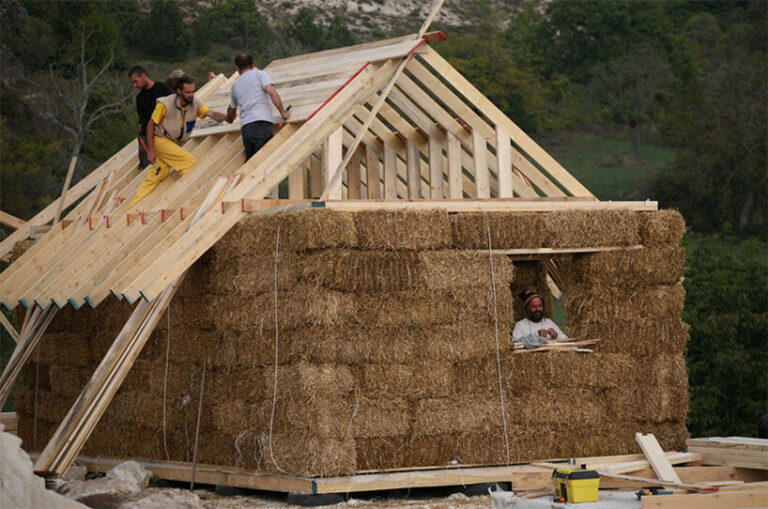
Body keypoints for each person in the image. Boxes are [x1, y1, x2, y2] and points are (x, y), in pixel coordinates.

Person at [128, 74, 229, 209]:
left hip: (170, 142)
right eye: (187, 92)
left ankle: (132, 208)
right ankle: (190, 199)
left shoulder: (195, 103)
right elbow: (150, 125)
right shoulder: (165, 104)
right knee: (188, 162)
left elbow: (212, 114)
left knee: (157, 174)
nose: (191, 95)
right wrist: (150, 151)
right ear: (179, 91)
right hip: (159, 139)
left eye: (192, 91)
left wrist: (228, 117)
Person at [226, 53, 290, 160]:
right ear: (252, 65)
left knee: (252, 163)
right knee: (264, 162)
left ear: (237, 68)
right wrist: (283, 112)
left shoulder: (235, 86)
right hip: (261, 123)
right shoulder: (260, 74)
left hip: (246, 128)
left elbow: (231, 109)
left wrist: (229, 118)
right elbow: (272, 92)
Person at [128, 66, 171, 169]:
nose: (135, 85)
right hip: (146, 136)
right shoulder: (139, 98)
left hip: (162, 132)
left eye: (136, 81)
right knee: (148, 168)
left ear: (143, 76)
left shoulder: (161, 88)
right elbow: (141, 122)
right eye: (133, 83)